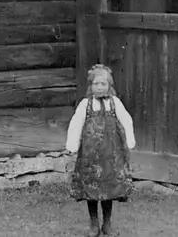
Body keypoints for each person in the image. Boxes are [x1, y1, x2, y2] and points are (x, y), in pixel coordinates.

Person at [65, 64, 136, 236]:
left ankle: (107, 223)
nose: (100, 87)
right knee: (91, 190)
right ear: (91, 86)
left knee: (108, 189)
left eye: (103, 84)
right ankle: (94, 223)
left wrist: (130, 140)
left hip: (111, 156)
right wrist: (72, 145)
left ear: (109, 86)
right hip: (90, 157)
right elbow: (76, 124)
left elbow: (126, 120)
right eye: (96, 84)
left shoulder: (115, 103)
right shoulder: (85, 105)